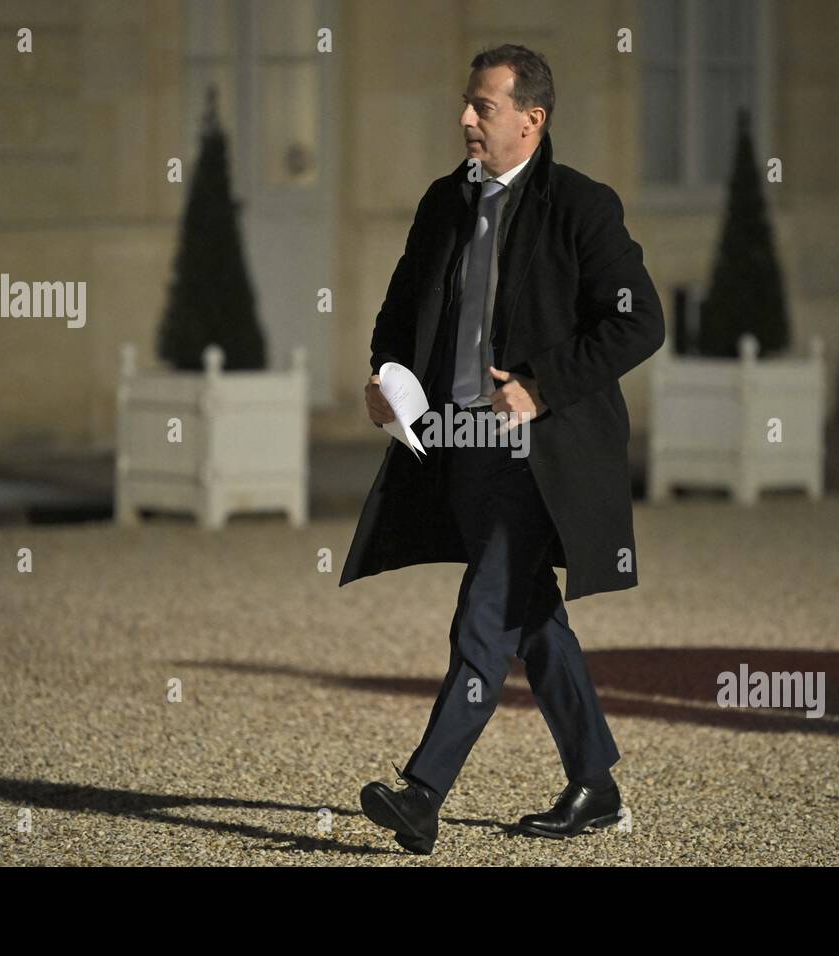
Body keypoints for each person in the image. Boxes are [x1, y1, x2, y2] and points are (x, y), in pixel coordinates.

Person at [340, 44, 665, 854]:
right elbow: (400, 309)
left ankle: (423, 791)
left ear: (533, 118)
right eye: (467, 103)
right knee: (530, 613)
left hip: (538, 452)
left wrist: (541, 385)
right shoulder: (443, 202)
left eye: (482, 107)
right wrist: (387, 379)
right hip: (455, 446)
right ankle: (595, 783)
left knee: (486, 612)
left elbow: (639, 322)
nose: (465, 120)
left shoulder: (581, 207)